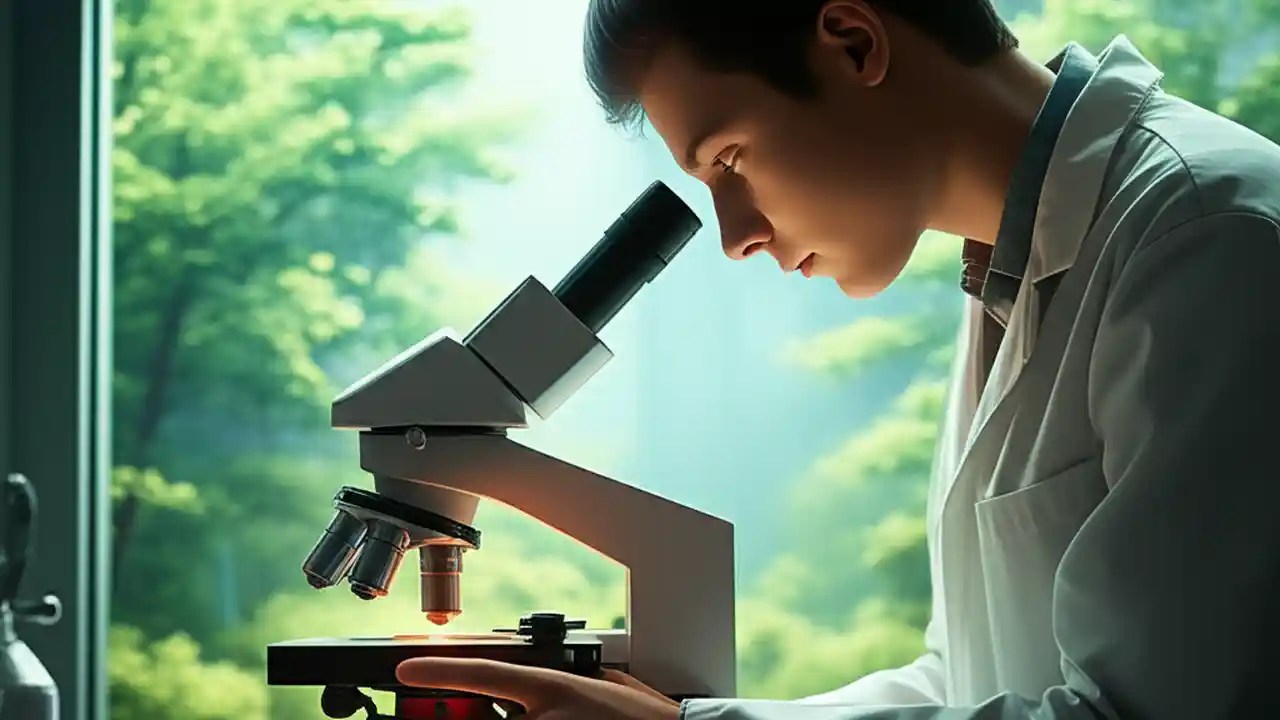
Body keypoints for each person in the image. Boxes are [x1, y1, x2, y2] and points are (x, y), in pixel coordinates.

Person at [396, 0, 1280, 717]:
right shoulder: (1010, 273)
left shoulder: (1209, 238)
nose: (736, 236)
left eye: (730, 157)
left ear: (855, 43)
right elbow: (964, 680)